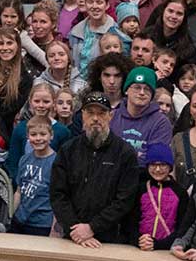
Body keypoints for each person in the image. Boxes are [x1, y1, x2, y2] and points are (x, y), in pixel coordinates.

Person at [53, 92, 140, 247]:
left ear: (110, 115)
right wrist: (76, 229)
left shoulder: (125, 153)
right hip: (72, 236)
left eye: (101, 113)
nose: (95, 118)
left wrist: (92, 228)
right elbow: (58, 194)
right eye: (90, 113)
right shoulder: (68, 150)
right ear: (82, 115)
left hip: (111, 239)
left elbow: (125, 200)